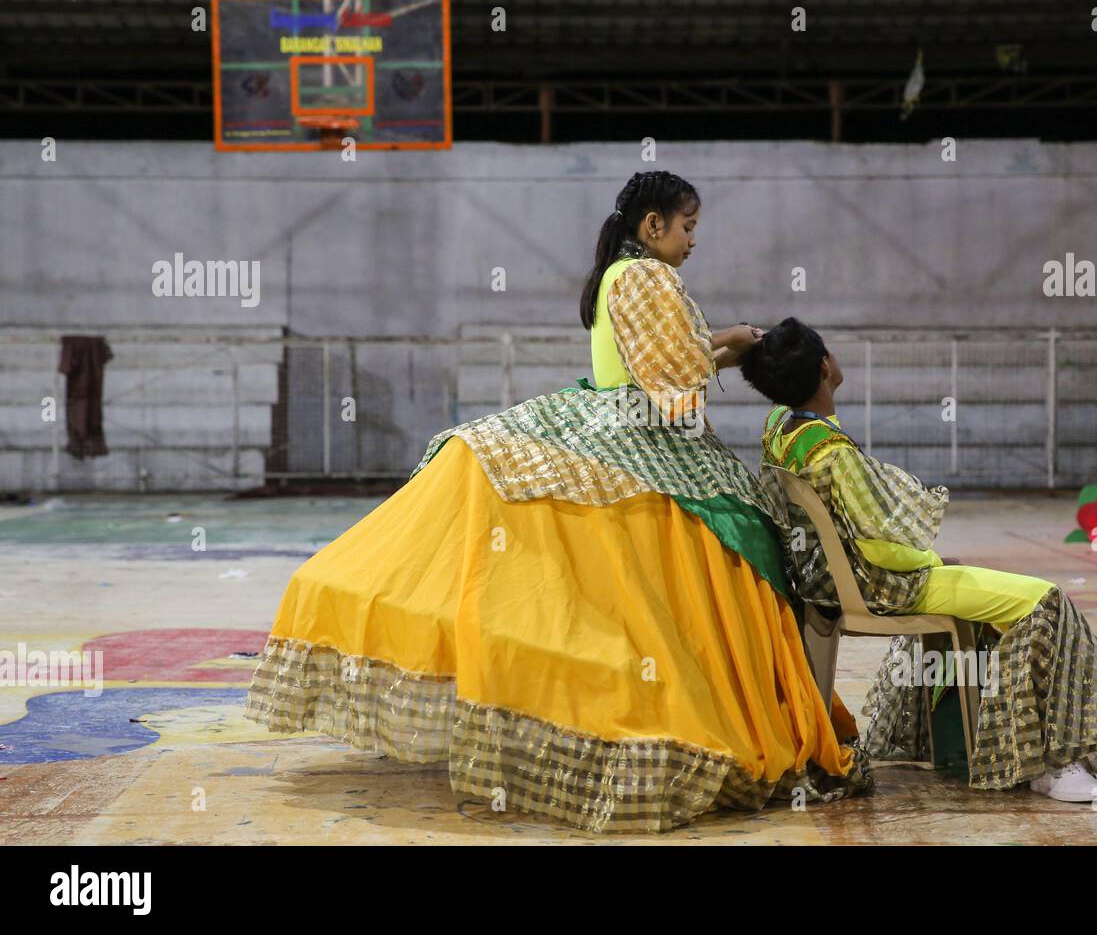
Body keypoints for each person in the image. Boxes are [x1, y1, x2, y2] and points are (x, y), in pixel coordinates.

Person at [243, 173, 870, 833]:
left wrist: (719, 343)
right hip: (643, 436)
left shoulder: (616, 276)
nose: (692, 241)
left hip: (610, 413)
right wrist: (729, 346)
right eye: (687, 227)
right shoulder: (650, 278)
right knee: (731, 555)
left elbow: (655, 364)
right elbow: (676, 386)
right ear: (652, 226)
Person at [740, 316, 1097, 802]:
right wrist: (931, 559)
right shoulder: (831, 451)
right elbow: (879, 544)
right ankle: (1052, 763)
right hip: (883, 586)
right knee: (1046, 600)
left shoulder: (780, 429)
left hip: (826, 585)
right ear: (827, 365)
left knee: (976, 585)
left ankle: (979, 743)